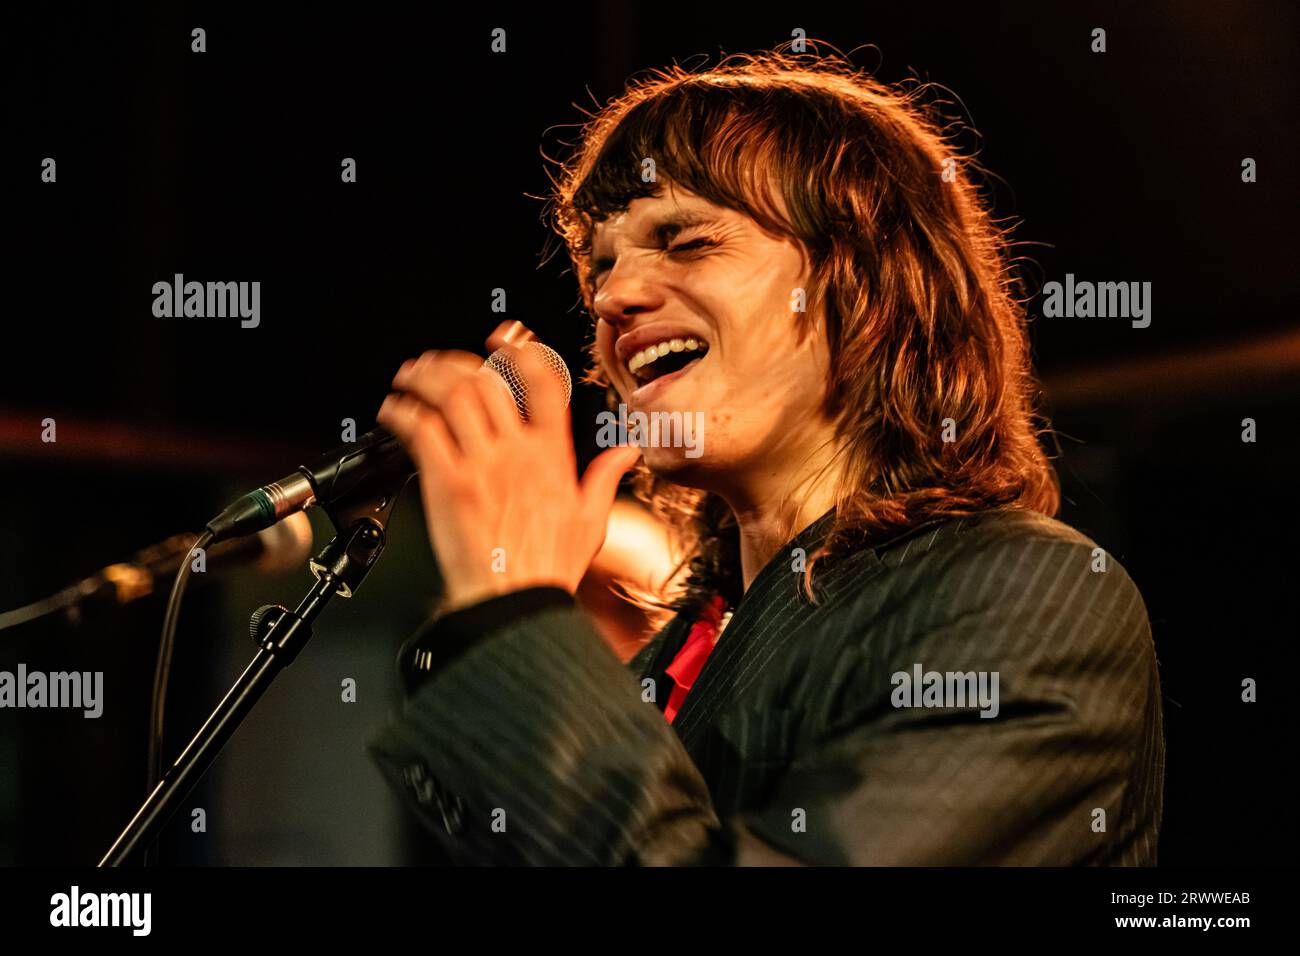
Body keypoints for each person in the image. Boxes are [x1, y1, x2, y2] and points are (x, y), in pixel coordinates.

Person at [367, 51, 1164, 865]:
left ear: (866, 286)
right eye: (601, 263)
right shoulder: (670, 659)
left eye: (685, 240)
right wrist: (486, 636)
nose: (610, 296)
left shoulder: (1025, 595)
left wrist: (515, 616)